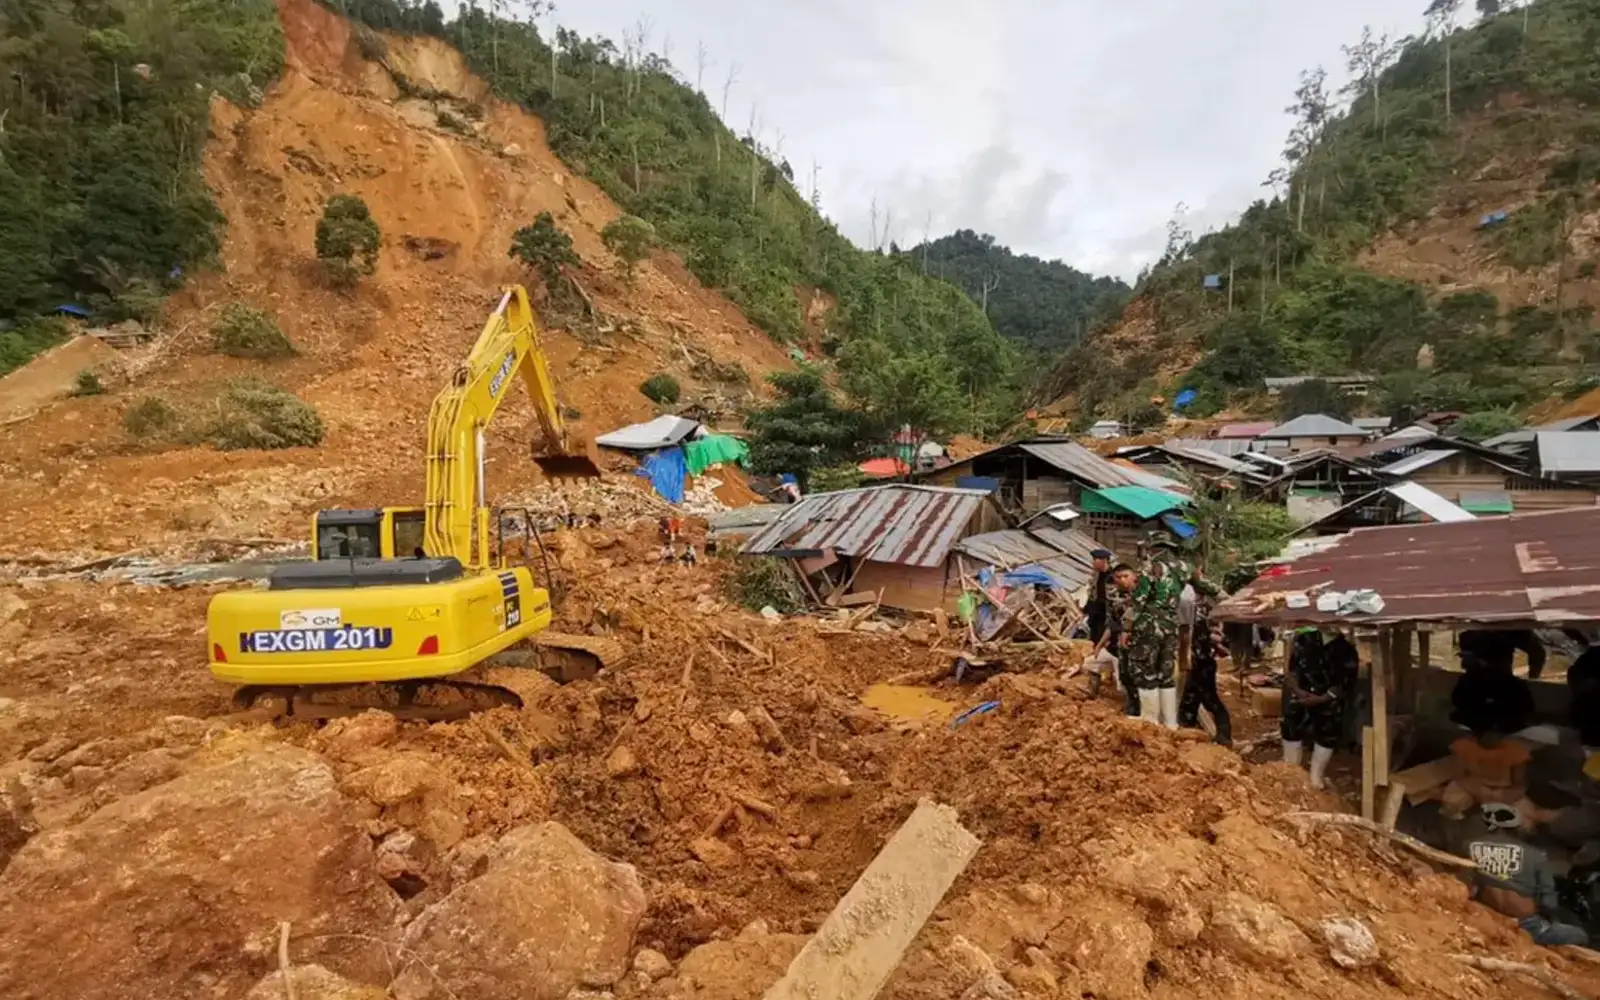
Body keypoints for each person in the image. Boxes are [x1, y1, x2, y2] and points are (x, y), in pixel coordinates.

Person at [1467, 803, 1590, 947]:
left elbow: (1464, 883)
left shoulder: (1467, 845)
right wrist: (1551, 918)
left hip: (1482, 915)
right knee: (1579, 935)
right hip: (1524, 925)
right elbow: (1548, 903)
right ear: (1515, 828)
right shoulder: (1535, 855)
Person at [1122, 547, 1185, 728]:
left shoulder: (1148, 571)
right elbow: (1204, 586)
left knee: (1144, 670)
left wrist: (1127, 629)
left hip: (1149, 627)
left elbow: (1138, 601)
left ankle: (1150, 720)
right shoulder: (1181, 569)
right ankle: (1170, 723)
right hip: (1170, 626)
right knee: (1166, 673)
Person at [1282, 628, 1345, 789]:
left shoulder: (1346, 650)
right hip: (1300, 695)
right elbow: (1291, 670)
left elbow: (1345, 682)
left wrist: (1321, 699)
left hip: (1328, 700)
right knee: (1291, 727)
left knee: (1327, 733)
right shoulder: (1304, 640)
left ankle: (1316, 777)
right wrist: (1298, 691)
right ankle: (1291, 771)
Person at [1177, 568, 1232, 745]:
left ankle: (1223, 738)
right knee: (1189, 702)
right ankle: (1190, 739)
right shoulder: (1183, 599)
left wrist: (1199, 581)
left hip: (1202, 662)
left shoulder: (1200, 604)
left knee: (1209, 700)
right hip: (1190, 660)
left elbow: (1224, 599)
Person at [1451, 644, 1536, 736]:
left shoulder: (1514, 686)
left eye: (1468, 658)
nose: (1463, 664)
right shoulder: (1467, 681)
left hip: (1501, 735)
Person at [1102, 563, 1140, 716]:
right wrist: (1102, 642)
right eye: (1118, 577)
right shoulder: (1113, 596)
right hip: (1123, 644)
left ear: (1134, 577)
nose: (1123, 580)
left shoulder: (1143, 595)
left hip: (1141, 642)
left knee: (1143, 677)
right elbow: (1112, 622)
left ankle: (1144, 710)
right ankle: (1132, 706)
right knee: (1125, 676)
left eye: (1126, 576)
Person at [1083, 548, 1115, 697]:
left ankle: (1116, 685)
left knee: (1109, 651)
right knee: (1096, 650)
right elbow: (1092, 595)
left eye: (1095, 560)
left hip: (1107, 621)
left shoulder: (1113, 578)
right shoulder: (1096, 576)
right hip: (1095, 620)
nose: (1093, 563)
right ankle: (1094, 687)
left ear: (1103, 561)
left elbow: (1112, 603)